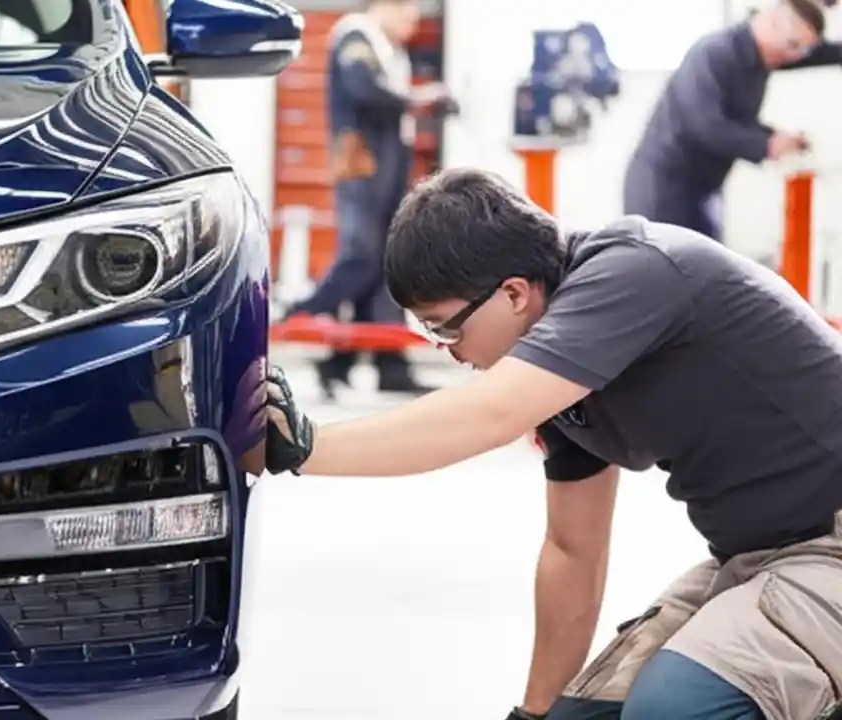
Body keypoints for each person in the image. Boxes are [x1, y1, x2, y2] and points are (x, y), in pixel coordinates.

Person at [265, 167, 842, 720]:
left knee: (676, 710)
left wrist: (307, 446)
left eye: (445, 327)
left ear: (514, 293)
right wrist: (535, 713)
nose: (446, 349)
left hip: (829, 541)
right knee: (583, 716)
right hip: (757, 557)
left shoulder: (633, 272)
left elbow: (492, 413)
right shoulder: (568, 384)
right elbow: (574, 548)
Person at [283, 0, 454, 397]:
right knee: (363, 255)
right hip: (364, 167)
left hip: (388, 167)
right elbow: (363, 87)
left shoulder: (388, 46)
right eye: (409, 14)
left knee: (383, 267)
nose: (413, 25)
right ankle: (302, 312)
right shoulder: (357, 36)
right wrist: (418, 98)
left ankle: (372, 365)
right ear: (386, 6)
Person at [623, 0, 840, 243]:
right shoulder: (715, 52)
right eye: (793, 45)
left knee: (708, 273)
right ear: (770, 21)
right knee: (665, 274)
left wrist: (774, 138)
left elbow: (822, 54)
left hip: (703, 190)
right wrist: (767, 144)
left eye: (803, 51)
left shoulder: (761, 57)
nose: (794, 56)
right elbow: (705, 125)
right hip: (664, 191)